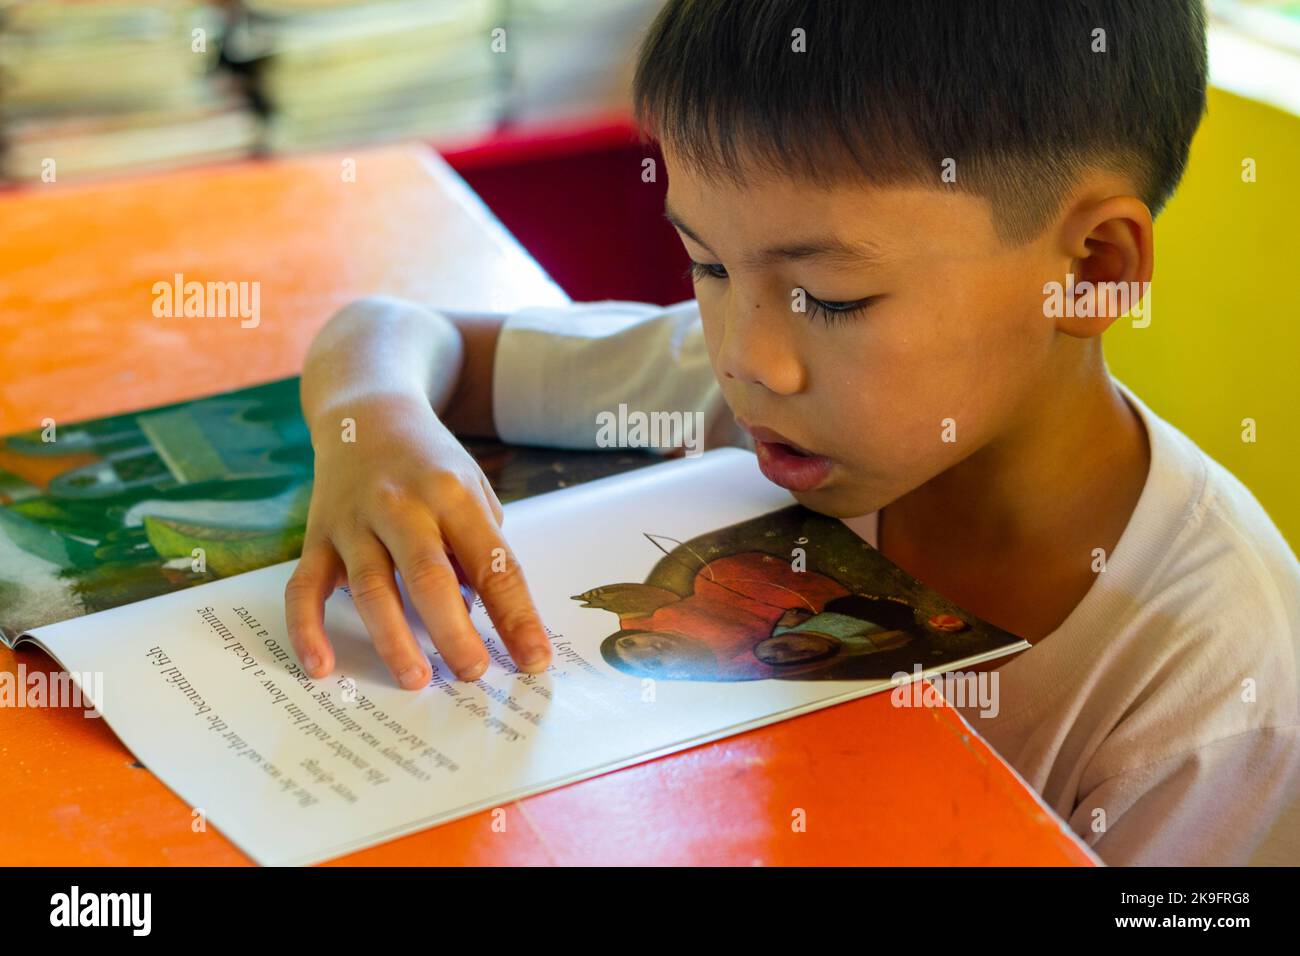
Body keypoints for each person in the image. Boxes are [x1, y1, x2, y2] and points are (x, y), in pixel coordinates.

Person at [285, 2, 1299, 865]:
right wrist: (371, 427)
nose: (745, 355)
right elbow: (392, 332)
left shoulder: (1216, 695)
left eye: (831, 295)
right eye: (708, 265)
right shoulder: (740, 397)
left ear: (1089, 270)